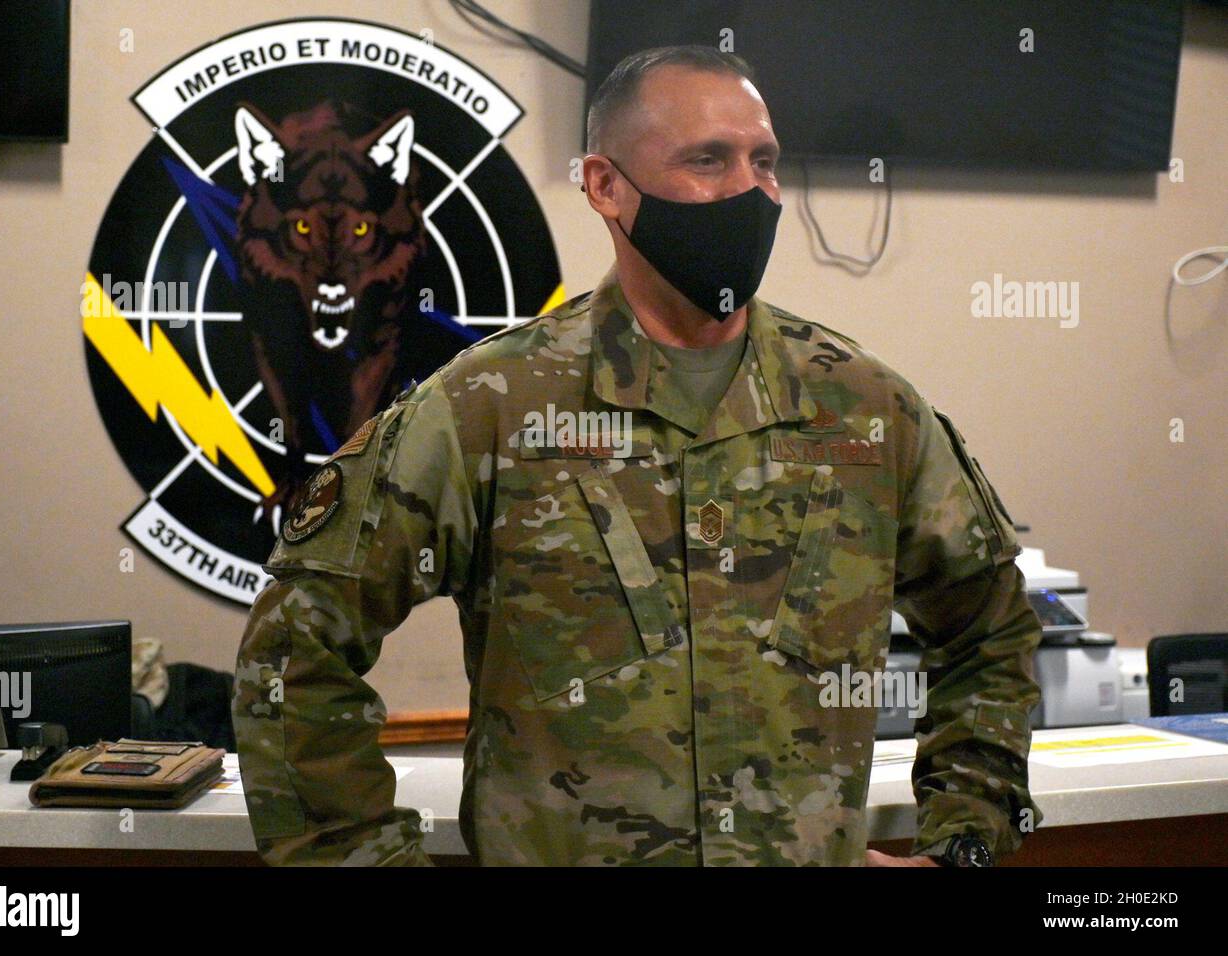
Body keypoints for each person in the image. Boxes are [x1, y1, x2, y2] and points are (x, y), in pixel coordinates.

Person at [231, 44, 1044, 867]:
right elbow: (293, 654)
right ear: (604, 185)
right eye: (707, 160)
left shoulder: (869, 411)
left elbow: (992, 631)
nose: (748, 190)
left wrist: (965, 845)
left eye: (763, 162)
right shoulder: (491, 408)